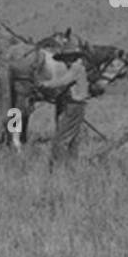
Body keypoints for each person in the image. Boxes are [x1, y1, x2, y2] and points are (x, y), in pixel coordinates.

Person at [39, 34, 89, 167]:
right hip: (75, 105)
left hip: (73, 106)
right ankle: (71, 165)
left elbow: (63, 81)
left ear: (73, 57)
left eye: (67, 58)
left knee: (60, 139)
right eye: (64, 59)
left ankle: (58, 167)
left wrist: (45, 84)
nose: (65, 61)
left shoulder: (76, 68)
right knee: (72, 138)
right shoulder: (75, 68)